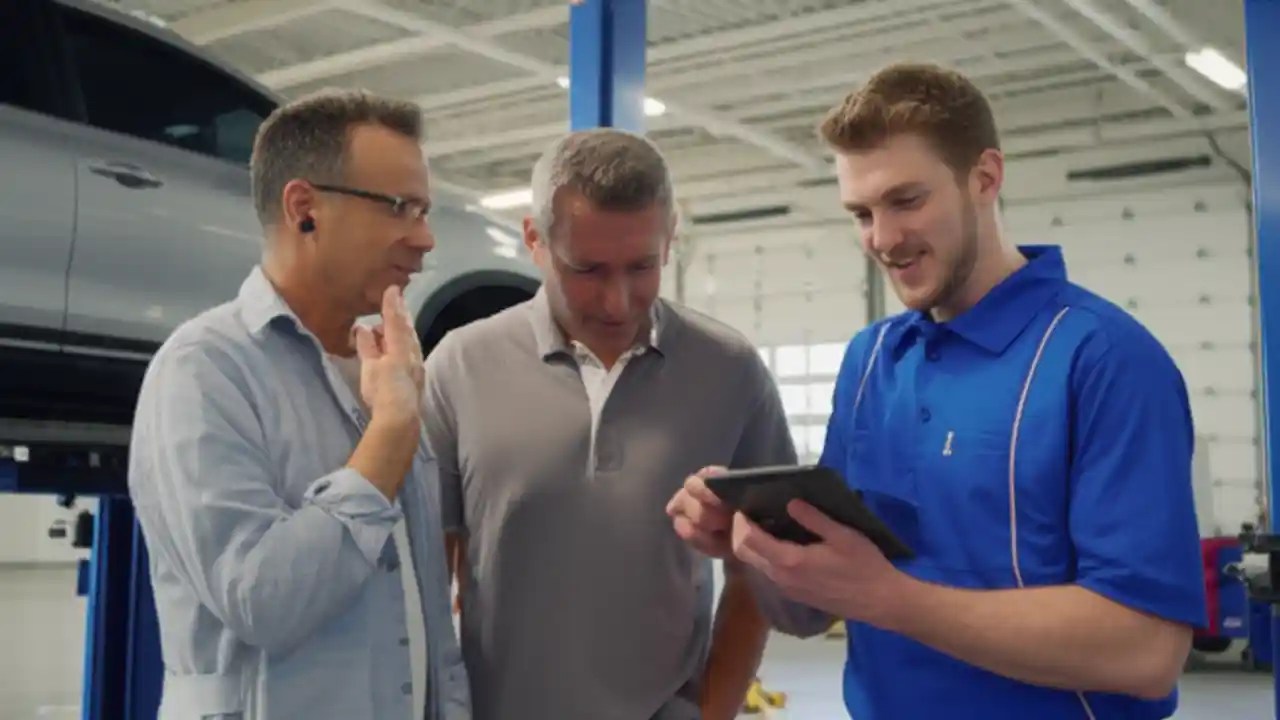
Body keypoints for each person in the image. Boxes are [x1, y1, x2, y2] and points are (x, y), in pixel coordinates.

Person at [666, 62, 1207, 720]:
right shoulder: (872, 361)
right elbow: (811, 612)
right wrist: (753, 545)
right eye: (861, 212)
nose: (884, 239)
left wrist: (892, 598)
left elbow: (1145, 653)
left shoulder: (1102, 358)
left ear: (985, 178)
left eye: (906, 201)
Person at [421, 128, 796, 720]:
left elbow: (757, 571)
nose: (618, 301)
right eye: (588, 269)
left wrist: (711, 712)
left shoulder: (731, 372)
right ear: (534, 240)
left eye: (642, 266)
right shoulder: (459, 367)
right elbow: (428, 578)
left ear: (671, 238)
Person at [127, 88, 469, 720]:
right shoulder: (206, 370)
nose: (424, 239)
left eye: (424, 210)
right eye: (401, 208)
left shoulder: (386, 366)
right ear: (304, 209)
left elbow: (427, 624)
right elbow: (263, 600)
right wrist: (389, 436)